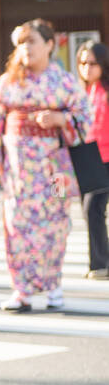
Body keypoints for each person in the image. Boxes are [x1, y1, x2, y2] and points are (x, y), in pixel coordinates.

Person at [0, 19, 93, 311]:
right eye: (21, 44)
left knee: (56, 223)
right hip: (18, 168)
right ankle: (22, 289)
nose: (25, 49)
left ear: (50, 45)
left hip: (56, 169)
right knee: (17, 225)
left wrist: (61, 119)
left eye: (32, 42)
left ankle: (53, 285)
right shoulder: (9, 82)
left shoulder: (64, 81)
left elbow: (86, 119)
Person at [76, 41, 109, 279]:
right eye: (83, 63)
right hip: (88, 158)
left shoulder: (106, 91)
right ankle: (99, 262)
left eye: (92, 63)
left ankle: (100, 264)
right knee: (89, 209)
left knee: (93, 208)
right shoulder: (81, 92)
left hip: (107, 157)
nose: (86, 68)